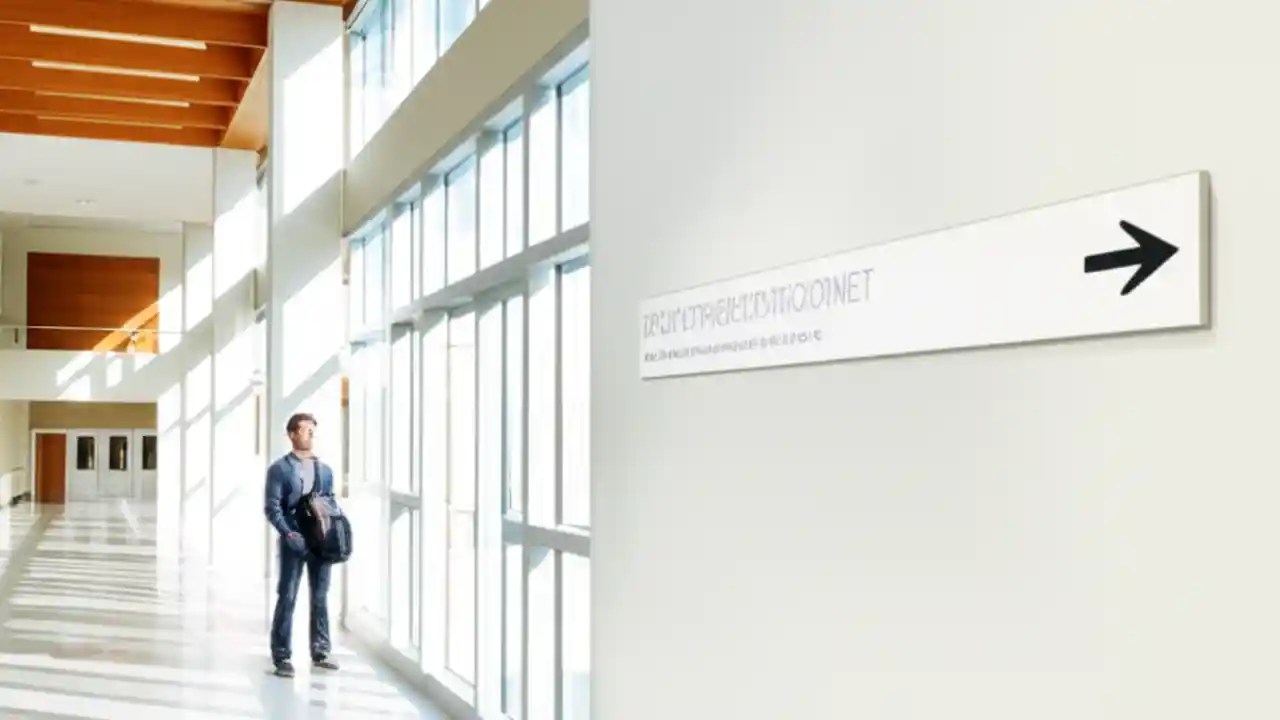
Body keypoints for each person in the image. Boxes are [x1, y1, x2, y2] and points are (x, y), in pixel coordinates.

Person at [264, 412, 340, 678]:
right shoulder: (279, 469)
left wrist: (333, 535)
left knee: (320, 597)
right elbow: (272, 508)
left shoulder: (326, 470)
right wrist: (288, 534)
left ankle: (321, 651)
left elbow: (330, 504)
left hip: (320, 543)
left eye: (312, 430)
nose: (310, 435)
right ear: (292, 434)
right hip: (293, 543)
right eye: (306, 430)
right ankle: (281, 656)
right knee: (288, 596)